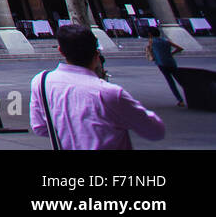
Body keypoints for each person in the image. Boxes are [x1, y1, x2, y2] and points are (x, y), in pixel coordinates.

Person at [30, 23, 165, 150]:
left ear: (61, 51)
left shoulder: (41, 81)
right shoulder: (109, 93)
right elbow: (155, 131)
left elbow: (40, 127)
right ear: (97, 52)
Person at [145, 28, 185, 107]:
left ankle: (180, 100)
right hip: (171, 62)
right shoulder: (166, 40)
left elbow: (150, 53)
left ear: (150, 34)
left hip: (161, 64)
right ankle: (191, 94)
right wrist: (171, 54)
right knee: (180, 80)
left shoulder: (151, 41)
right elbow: (180, 48)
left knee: (171, 82)